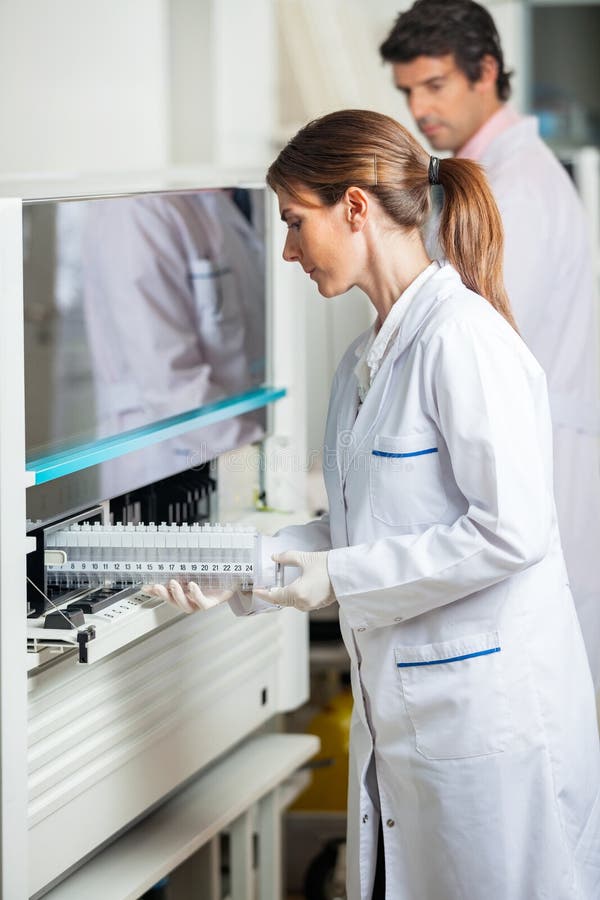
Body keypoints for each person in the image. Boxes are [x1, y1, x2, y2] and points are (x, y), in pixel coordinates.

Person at [155, 110, 600, 900]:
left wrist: (336, 577)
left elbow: (513, 529)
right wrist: (242, 569)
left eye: (295, 222)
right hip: (412, 720)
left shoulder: (462, 340)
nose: (287, 249)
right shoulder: (366, 359)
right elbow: (368, 525)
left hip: (486, 724)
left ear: (354, 208)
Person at [379, 0, 600, 687]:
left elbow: (477, 354)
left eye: (434, 85)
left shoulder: (513, 193)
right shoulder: (492, 180)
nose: (419, 109)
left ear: (485, 72)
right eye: (407, 91)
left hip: (541, 475)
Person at [81, 190, 266, 497]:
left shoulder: (231, 195)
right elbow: (169, 384)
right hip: (164, 459)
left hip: (232, 445)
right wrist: (264, 468)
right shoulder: (134, 209)